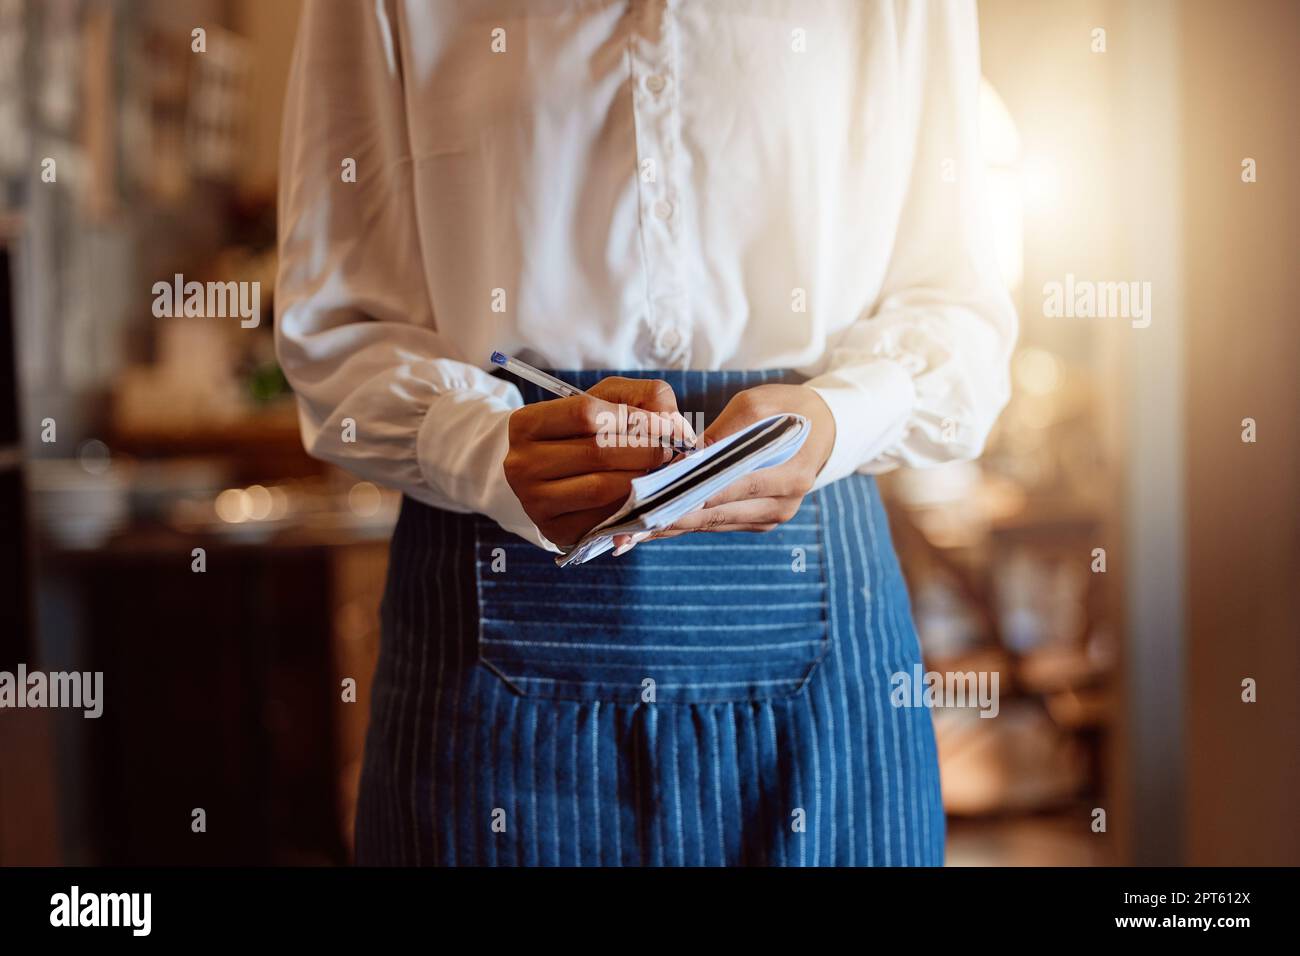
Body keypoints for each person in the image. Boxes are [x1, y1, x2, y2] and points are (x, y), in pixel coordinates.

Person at [275, 0, 1016, 866]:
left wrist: (836, 419)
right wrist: (481, 446)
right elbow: (336, 326)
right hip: (486, 640)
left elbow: (960, 309)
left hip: (821, 636)